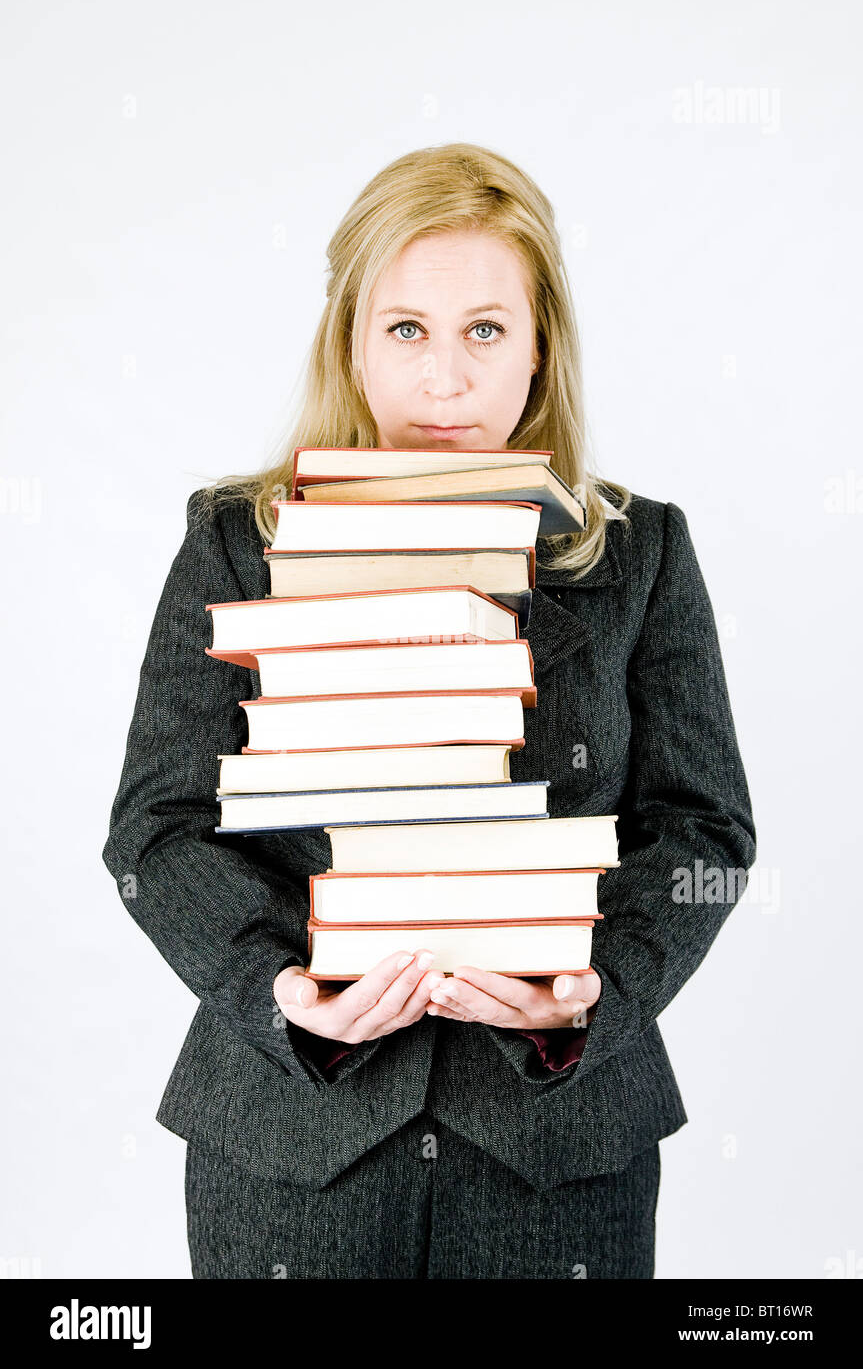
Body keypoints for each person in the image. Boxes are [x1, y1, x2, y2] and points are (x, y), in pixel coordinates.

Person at [102, 142, 756, 1279]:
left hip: (558, 1158)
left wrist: (596, 988)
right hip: (288, 1147)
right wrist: (279, 989)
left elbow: (701, 828)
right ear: (348, 337)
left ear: (541, 339)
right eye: (405, 328)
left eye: (485, 330)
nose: (444, 381)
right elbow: (155, 830)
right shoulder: (232, 541)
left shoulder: (642, 551)